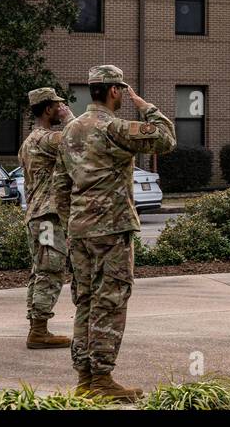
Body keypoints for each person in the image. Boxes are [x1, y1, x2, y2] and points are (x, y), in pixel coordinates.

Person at [57, 65, 174, 401]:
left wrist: (71, 224)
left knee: (86, 301)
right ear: (113, 91)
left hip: (80, 230)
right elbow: (165, 139)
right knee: (110, 301)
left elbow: (60, 186)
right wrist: (146, 106)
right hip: (112, 227)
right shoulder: (115, 126)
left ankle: (85, 379)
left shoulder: (71, 130)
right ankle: (103, 379)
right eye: (122, 89)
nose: (123, 94)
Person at [17, 87, 74, 350]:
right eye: (58, 106)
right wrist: (70, 118)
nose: (61, 109)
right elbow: (79, 140)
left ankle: (37, 327)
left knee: (41, 270)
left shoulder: (29, 141)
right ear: (49, 109)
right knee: (50, 270)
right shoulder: (44, 139)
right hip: (47, 215)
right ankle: (39, 332)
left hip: (38, 214)